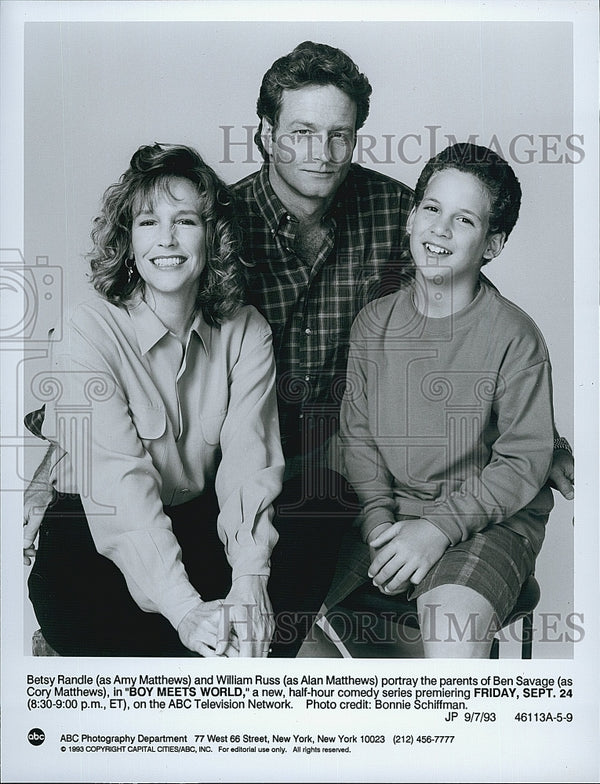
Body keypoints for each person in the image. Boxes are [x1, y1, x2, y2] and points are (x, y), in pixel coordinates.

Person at [24, 41, 574, 656]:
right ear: (266, 134)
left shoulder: (395, 210)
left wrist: (537, 435)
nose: (321, 153)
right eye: (302, 133)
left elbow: (465, 297)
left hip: (323, 473)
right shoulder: (216, 221)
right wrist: (66, 443)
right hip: (217, 474)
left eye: (340, 135)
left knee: (289, 577)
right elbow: (123, 347)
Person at [26, 143, 284, 656]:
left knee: (304, 535)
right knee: (166, 660)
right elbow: (118, 484)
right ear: (128, 241)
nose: (166, 239)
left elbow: (248, 462)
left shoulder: (247, 330)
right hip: (92, 535)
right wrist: (185, 610)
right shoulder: (87, 328)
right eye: (147, 223)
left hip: (193, 527)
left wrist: (250, 580)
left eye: (185, 221)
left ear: (212, 235)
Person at [337, 143, 559, 657]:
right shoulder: (374, 322)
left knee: (451, 647)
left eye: (464, 219)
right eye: (432, 209)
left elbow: (522, 460)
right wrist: (378, 523)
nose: (439, 229)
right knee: (278, 624)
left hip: (488, 522)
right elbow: (359, 439)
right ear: (411, 217)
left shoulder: (514, 335)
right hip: (391, 512)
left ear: (492, 244)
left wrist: (437, 528)